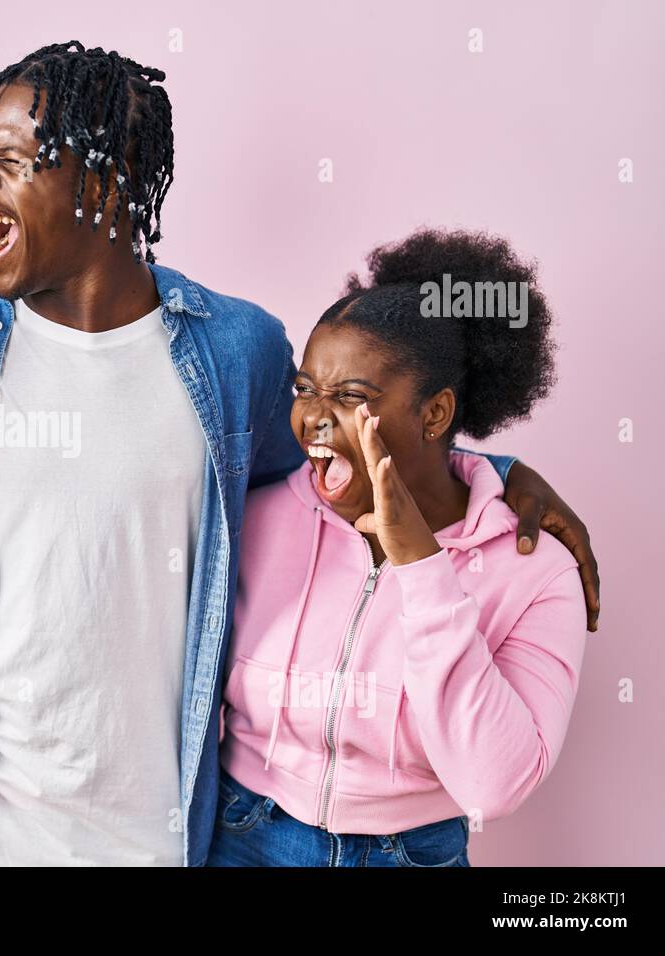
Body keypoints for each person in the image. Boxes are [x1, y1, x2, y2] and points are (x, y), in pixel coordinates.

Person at [0, 42, 598, 866]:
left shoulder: (234, 353)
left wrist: (490, 478)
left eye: (14, 161)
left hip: (162, 843)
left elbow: (345, 456)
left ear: (104, 183)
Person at [210, 229, 585, 866]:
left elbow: (493, 786)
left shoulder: (536, 570)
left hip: (409, 853)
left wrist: (421, 565)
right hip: (244, 832)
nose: (316, 418)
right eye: (306, 390)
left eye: (352, 397)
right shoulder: (259, 513)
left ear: (435, 414)